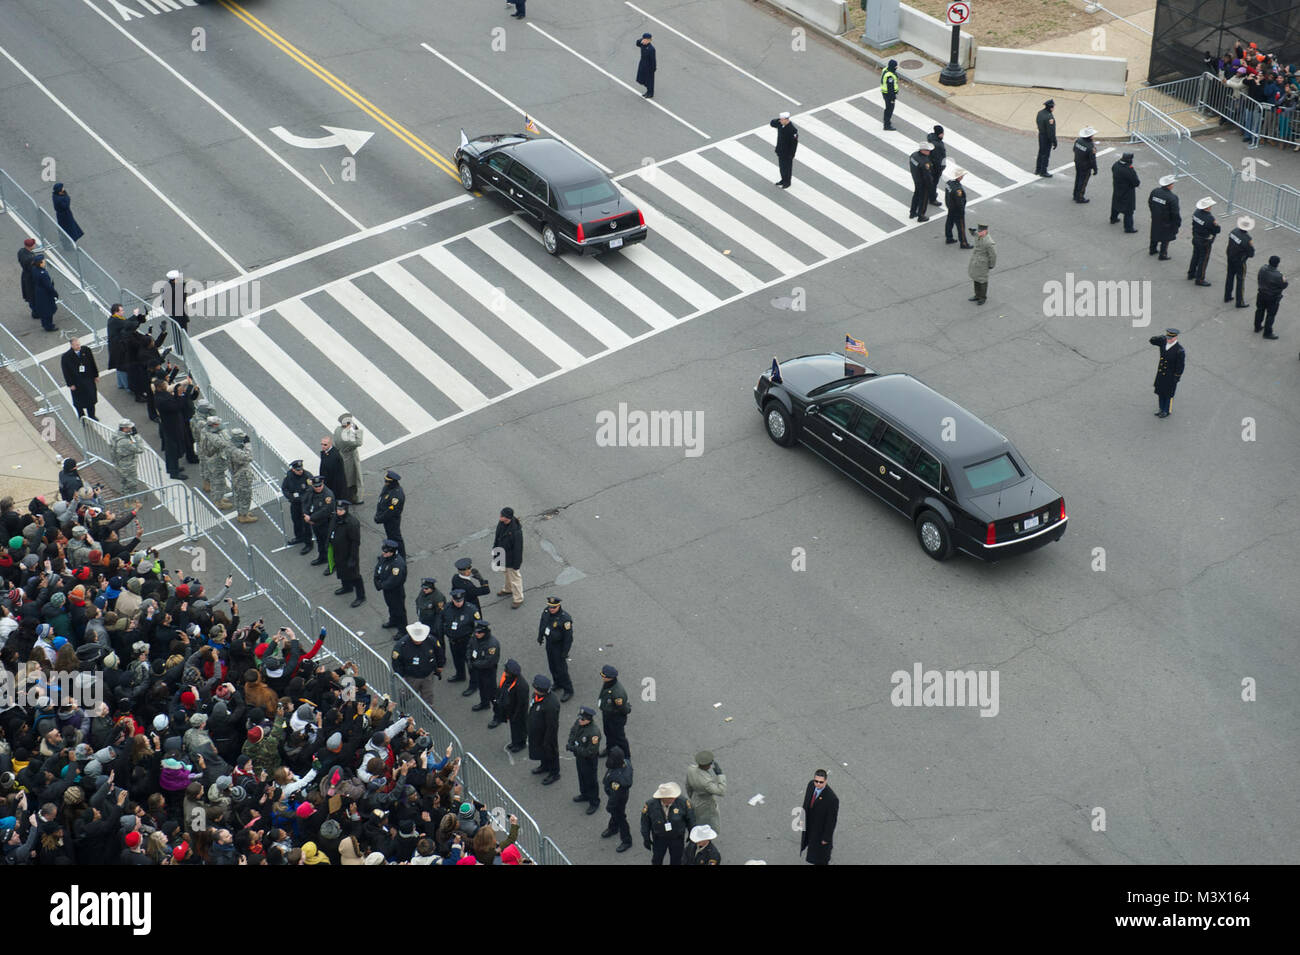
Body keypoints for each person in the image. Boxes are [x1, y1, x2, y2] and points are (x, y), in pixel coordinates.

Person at [391, 622, 443, 708]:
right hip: (411, 676)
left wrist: (440, 665)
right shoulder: (401, 646)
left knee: (428, 694)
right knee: (409, 693)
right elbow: (396, 662)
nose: (418, 641)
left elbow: (439, 653)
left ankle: (428, 711)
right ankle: (403, 698)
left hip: (428, 675)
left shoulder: (431, 640)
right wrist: (401, 675)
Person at [641, 781, 694, 865]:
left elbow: (690, 819)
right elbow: (645, 823)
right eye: (671, 797)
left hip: (677, 838)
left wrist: (692, 835)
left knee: (677, 860)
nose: (674, 799)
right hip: (659, 838)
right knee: (657, 859)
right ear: (663, 797)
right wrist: (646, 838)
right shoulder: (650, 805)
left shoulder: (683, 802)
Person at [537, 595, 574, 702]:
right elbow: (542, 623)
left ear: (558, 606)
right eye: (550, 607)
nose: (551, 609)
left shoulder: (565, 619)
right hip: (549, 644)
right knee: (552, 666)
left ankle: (568, 690)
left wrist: (565, 652)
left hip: (559, 646)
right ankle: (557, 683)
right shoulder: (546, 612)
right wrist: (540, 636)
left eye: (554, 607)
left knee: (561, 669)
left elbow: (568, 638)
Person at [442, 589, 482, 690]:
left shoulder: (471, 609)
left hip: (467, 642)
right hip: (453, 641)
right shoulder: (447, 608)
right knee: (457, 660)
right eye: (457, 601)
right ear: (452, 599)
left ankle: (474, 685)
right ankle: (460, 675)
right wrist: (445, 631)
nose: (459, 603)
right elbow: (442, 621)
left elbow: (478, 627)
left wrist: (475, 641)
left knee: (470, 664)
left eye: (460, 601)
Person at [328, 499, 364, 607]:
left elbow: (355, 542)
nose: (339, 511)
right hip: (338, 551)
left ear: (346, 510)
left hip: (348, 553)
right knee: (341, 569)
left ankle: (361, 596)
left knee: (355, 575)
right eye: (338, 509)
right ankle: (347, 587)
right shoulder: (336, 518)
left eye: (341, 510)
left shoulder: (352, 523)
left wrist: (353, 558)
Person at [799, 769, 839, 865]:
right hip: (810, 825)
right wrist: (802, 818)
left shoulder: (832, 799)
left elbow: (831, 821)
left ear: (826, 781)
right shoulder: (811, 785)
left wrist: (826, 838)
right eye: (816, 781)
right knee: (811, 848)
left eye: (821, 782)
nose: (818, 784)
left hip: (820, 831)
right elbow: (806, 802)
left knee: (820, 857)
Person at [527, 674, 562, 785]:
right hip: (538, 732)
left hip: (547, 733)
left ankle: (554, 773)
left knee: (550, 751)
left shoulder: (551, 704)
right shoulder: (536, 696)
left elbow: (552, 725)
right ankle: (544, 766)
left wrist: (548, 739)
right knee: (541, 750)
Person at [566, 705, 601, 812]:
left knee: (591, 780)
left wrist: (574, 749)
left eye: (582, 719)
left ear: (589, 720)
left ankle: (594, 802)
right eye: (580, 718)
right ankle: (584, 794)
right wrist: (570, 742)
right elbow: (573, 731)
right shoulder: (579, 723)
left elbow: (590, 751)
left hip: (589, 760)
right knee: (581, 776)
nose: (580, 720)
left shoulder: (594, 733)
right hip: (580, 758)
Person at [491, 657, 529, 752]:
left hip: (518, 710)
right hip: (511, 708)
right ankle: (515, 742)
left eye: (507, 671)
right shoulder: (509, 679)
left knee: (519, 726)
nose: (505, 673)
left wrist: (516, 714)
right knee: (513, 727)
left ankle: (521, 743)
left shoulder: (521, 686)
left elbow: (521, 703)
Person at [684, 750, 727, 834]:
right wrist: (720, 775)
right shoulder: (706, 782)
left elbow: (688, 786)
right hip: (705, 805)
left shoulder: (691, 769)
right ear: (707, 765)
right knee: (707, 823)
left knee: (697, 819)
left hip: (695, 798)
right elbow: (721, 791)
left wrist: (691, 797)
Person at [601, 746, 634, 851]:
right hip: (621, 795)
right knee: (616, 814)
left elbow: (615, 797)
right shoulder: (625, 763)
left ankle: (626, 840)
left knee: (620, 817)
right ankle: (613, 827)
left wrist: (609, 806)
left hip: (618, 798)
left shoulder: (618, 779)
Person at [1148, 327, 1185, 418]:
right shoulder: (1164, 343)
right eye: (1167, 337)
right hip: (1161, 374)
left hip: (1170, 376)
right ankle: (1161, 408)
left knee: (1168, 394)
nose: (1168, 340)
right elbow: (1152, 341)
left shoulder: (1179, 350)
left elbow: (1180, 366)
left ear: (1175, 338)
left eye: (1170, 338)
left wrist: (1176, 377)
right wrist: (1157, 338)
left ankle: (1166, 410)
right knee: (1160, 392)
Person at [598, 664, 632, 759]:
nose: (602, 677)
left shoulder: (617, 693)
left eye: (604, 676)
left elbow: (623, 708)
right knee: (608, 733)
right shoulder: (608, 684)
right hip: (607, 715)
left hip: (615, 718)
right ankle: (610, 749)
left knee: (619, 738)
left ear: (611, 678)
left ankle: (626, 756)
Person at [61, 337, 99, 421]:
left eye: (79, 344)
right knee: (79, 402)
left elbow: (92, 362)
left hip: (88, 379)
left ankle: (92, 415)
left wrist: (96, 375)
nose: (78, 346)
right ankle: (82, 417)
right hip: (77, 383)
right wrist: (70, 384)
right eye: (76, 345)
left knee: (91, 399)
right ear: (72, 345)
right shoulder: (66, 357)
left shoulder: (86, 350)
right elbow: (66, 372)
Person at [493, 507, 524, 608]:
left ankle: (518, 598)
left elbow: (518, 549)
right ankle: (508, 589)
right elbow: (497, 537)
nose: (500, 517)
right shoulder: (501, 523)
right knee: (506, 573)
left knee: (515, 577)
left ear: (507, 518)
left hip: (511, 559)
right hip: (502, 554)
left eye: (501, 516)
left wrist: (516, 564)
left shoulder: (516, 532)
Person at [201, 416, 234, 511]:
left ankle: (218, 497)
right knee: (219, 481)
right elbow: (224, 444)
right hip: (216, 461)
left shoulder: (205, 430)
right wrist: (225, 433)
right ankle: (219, 502)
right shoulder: (213, 436)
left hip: (210, 459)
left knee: (215, 480)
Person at [374, 539, 408, 631]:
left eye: (386, 552)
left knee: (399, 610)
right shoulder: (384, 557)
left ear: (392, 553)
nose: (383, 553)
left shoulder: (397, 564)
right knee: (390, 606)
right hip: (387, 589)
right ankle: (393, 621)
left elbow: (394, 580)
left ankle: (402, 630)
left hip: (396, 591)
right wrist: (376, 579)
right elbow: (378, 567)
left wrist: (381, 585)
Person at [467, 621, 500, 712]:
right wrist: (469, 659)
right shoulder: (475, 638)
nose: (476, 634)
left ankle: (498, 715)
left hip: (488, 672)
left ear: (484, 633)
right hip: (478, 669)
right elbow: (469, 647)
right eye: (476, 632)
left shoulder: (492, 645)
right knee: (482, 687)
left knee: (492, 693)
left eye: (479, 632)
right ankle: (484, 704)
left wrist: (474, 664)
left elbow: (489, 661)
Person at [1187, 197, 1221, 286]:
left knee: (1195, 256)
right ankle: (1200, 279)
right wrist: (1216, 225)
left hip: (1196, 237)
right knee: (1203, 260)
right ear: (1208, 207)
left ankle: (1191, 273)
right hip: (1204, 241)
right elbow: (1217, 230)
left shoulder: (1196, 212)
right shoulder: (1210, 218)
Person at [1147, 175, 1181, 260]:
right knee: (1166, 238)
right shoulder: (1172, 198)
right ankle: (1163, 254)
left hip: (1156, 218)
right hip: (1167, 221)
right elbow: (1175, 213)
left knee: (1154, 232)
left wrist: (1154, 213)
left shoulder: (1155, 191)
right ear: (1169, 185)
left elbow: (1150, 202)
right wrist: (1177, 223)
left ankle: (1152, 249)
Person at [333, 413, 364, 504]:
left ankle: (348, 495)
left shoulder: (337, 430)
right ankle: (357, 498)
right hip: (351, 457)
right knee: (356, 478)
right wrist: (357, 430)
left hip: (342, 454)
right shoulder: (346, 438)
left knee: (346, 477)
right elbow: (359, 442)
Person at [305, 475, 335, 567]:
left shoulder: (328, 495)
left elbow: (326, 510)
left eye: (319, 485)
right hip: (315, 523)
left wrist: (311, 518)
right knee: (320, 541)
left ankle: (332, 564)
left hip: (325, 522)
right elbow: (305, 502)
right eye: (316, 486)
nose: (318, 488)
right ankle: (322, 557)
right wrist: (305, 514)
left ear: (322, 484)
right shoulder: (311, 491)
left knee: (328, 543)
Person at [373, 470, 405, 558]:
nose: (385, 483)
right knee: (390, 537)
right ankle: (391, 553)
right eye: (385, 481)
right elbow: (381, 500)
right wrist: (378, 513)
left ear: (393, 482)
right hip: (385, 517)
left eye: (388, 481)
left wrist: (379, 518)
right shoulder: (388, 487)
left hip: (391, 520)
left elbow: (390, 512)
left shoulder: (397, 496)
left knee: (395, 537)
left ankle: (401, 557)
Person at [1224, 216, 1255, 307]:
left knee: (1229, 276)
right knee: (1240, 280)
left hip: (1230, 257)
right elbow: (1251, 254)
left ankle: (1227, 296)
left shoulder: (1233, 231)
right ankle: (1239, 302)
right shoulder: (1247, 239)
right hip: (1239, 261)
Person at [1254, 255, 1287, 338]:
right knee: (1271, 315)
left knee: (1259, 310)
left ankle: (1257, 326)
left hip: (1261, 293)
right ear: (1277, 264)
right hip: (1272, 297)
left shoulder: (1263, 268)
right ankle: (1267, 333)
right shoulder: (1278, 276)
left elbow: (1258, 277)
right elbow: (1284, 285)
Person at [111, 419, 146, 499]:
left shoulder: (115, 435)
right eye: (130, 427)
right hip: (128, 466)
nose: (131, 429)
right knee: (132, 484)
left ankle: (126, 495)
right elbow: (140, 449)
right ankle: (131, 501)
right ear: (125, 428)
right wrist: (136, 436)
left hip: (119, 463)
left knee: (124, 482)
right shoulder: (124, 441)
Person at [229, 428, 257, 523]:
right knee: (245, 496)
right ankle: (243, 516)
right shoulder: (236, 451)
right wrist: (248, 445)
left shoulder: (230, 446)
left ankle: (242, 512)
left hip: (236, 474)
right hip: (242, 476)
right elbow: (249, 457)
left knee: (238, 495)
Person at [282, 460, 311, 548]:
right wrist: (291, 497)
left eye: (301, 469)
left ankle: (308, 542)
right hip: (295, 503)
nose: (300, 471)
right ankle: (299, 537)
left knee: (306, 523)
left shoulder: (307, 476)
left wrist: (302, 498)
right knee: (296, 520)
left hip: (304, 504)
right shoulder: (289, 476)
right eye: (298, 470)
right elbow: (284, 488)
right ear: (293, 470)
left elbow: (310, 489)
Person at [1109, 152, 1140, 232]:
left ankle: (1113, 218)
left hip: (1117, 188)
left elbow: (1112, 169)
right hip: (1127, 191)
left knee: (1116, 203)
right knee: (1129, 210)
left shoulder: (1116, 165)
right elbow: (1136, 182)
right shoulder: (1129, 169)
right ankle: (1128, 228)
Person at [967, 223, 996, 305]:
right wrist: (971, 232)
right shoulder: (979, 234)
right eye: (978, 230)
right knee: (976, 277)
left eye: (981, 231)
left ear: (985, 231)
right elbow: (975, 234)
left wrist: (991, 264)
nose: (979, 232)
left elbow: (993, 255)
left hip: (983, 263)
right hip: (976, 261)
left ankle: (982, 297)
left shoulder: (989, 242)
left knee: (982, 280)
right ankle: (977, 295)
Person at [162, 269, 188, 357]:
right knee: (183, 330)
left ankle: (179, 348)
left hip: (172, 313)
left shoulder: (166, 286)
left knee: (176, 330)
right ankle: (182, 349)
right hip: (179, 312)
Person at [769, 112, 799, 189]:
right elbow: (772, 123)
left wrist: (791, 155)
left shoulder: (792, 130)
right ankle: (783, 179)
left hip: (788, 153)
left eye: (782, 120)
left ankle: (787, 182)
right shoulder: (780, 124)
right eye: (780, 119)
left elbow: (794, 144)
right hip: (780, 151)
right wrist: (778, 120)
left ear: (787, 119)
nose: (780, 121)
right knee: (782, 167)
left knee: (787, 168)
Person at [30, 255, 59, 332]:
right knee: (48, 310)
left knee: (43, 309)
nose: (45, 262)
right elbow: (48, 286)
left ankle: (45, 324)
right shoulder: (43, 274)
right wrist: (55, 293)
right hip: (45, 294)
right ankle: (49, 326)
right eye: (43, 261)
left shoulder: (34, 269)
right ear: (40, 263)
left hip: (38, 291)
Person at [943, 169, 970, 247]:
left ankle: (949, 237)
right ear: (959, 177)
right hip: (957, 210)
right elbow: (960, 202)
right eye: (962, 175)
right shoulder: (958, 189)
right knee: (961, 226)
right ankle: (964, 243)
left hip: (950, 207)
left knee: (949, 222)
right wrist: (962, 211)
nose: (962, 177)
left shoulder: (949, 183)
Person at [52, 183, 84, 248]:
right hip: (64, 216)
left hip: (64, 215)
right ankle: (68, 243)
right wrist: (66, 197)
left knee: (69, 228)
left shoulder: (56, 196)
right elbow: (66, 205)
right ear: (60, 191)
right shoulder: (59, 199)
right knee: (69, 229)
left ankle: (69, 242)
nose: (64, 189)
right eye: (62, 188)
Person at [908, 142, 934, 221]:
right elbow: (927, 175)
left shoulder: (913, 155)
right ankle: (921, 215)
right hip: (923, 182)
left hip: (916, 178)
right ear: (922, 150)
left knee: (916, 195)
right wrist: (930, 185)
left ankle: (912, 212)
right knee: (923, 199)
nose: (929, 152)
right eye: (928, 150)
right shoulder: (925, 162)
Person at [317, 435, 347, 501]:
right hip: (328, 481)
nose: (323, 446)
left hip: (333, 484)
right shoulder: (327, 452)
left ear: (330, 444)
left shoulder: (334, 456)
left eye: (325, 445)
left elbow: (334, 473)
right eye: (321, 444)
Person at [1072, 127, 1097, 202]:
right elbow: (1093, 160)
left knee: (1078, 178)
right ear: (1090, 136)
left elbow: (1074, 149)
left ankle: (1075, 194)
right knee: (1083, 182)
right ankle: (1080, 197)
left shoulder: (1078, 140)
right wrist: (1095, 169)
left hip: (1077, 163)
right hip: (1085, 166)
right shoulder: (1090, 146)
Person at [1034, 99, 1057, 176]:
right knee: (1046, 154)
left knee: (1041, 152)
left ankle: (1038, 169)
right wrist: (1054, 141)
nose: (1054, 108)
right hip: (1047, 138)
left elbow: (1037, 122)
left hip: (1041, 135)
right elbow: (1051, 131)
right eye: (1053, 107)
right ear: (1050, 107)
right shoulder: (1049, 117)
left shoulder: (1040, 113)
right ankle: (1043, 171)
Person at [18, 237, 38, 319]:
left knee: (29, 294)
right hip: (31, 278)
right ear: (31, 246)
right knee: (33, 295)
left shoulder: (21, 252)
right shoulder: (31, 258)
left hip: (25, 275)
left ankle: (34, 311)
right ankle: (36, 312)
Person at [926, 125, 947, 204]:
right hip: (935, 168)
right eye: (942, 133)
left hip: (930, 164)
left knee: (930, 181)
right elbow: (938, 159)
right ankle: (932, 198)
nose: (943, 135)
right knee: (934, 183)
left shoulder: (931, 138)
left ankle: (929, 194)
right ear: (939, 134)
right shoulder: (938, 145)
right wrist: (941, 168)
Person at [635, 32, 656, 99]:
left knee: (649, 81)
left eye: (646, 40)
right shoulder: (642, 44)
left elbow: (653, 60)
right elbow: (637, 44)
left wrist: (653, 68)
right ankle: (647, 91)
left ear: (649, 40)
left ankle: (650, 93)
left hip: (649, 67)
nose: (645, 41)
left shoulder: (651, 49)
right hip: (642, 64)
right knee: (643, 79)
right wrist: (640, 40)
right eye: (644, 39)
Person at [880, 60, 899, 130]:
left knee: (888, 108)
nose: (897, 67)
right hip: (888, 95)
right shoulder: (890, 76)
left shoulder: (886, 70)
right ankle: (887, 125)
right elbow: (890, 89)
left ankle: (887, 121)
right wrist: (892, 98)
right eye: (896, 66)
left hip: (885, 93)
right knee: (889, 109)